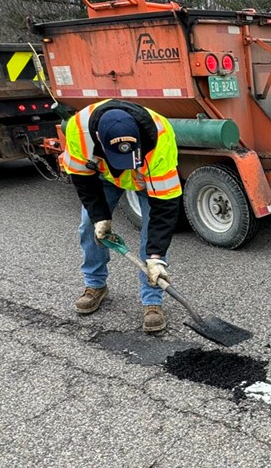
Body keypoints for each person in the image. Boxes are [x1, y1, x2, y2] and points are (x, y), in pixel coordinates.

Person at [58, 100, 183, 333]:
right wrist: (100, 217)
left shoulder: (160, 138)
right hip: (103, 176)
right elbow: (82, 180)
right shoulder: (78, 130)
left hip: (146, 180)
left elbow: (165, 208)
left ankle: (152, 301)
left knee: (150, 239)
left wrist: (156, 257)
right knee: (89, 227)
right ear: (98, 138)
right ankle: (95, 285)